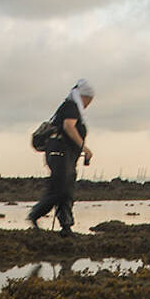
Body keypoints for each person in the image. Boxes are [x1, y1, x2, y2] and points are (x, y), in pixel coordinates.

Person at [28, 79, 94, 235]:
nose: (88, 103)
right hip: (59, 152)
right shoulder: (71, 106)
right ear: (83, 96)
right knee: (62, 189)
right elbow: (68, 127)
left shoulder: (71, 107)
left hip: (63, 153)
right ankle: (36, 214)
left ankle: (66, 226)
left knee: (65, 188)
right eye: (88, 100)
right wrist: (84, 148)